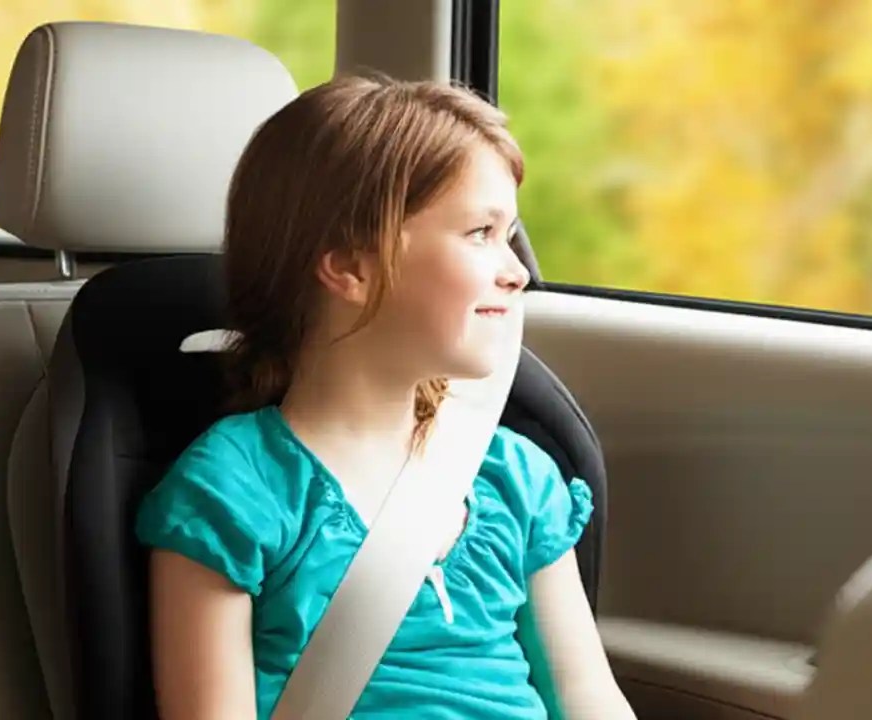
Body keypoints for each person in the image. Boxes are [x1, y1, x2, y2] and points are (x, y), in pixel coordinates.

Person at [134, 73, 636, 720]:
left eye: (509, 236)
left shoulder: (511, 476)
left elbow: (588, 696)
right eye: (480, 233)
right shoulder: (236, 490)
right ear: (350, 266)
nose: (516, 272)